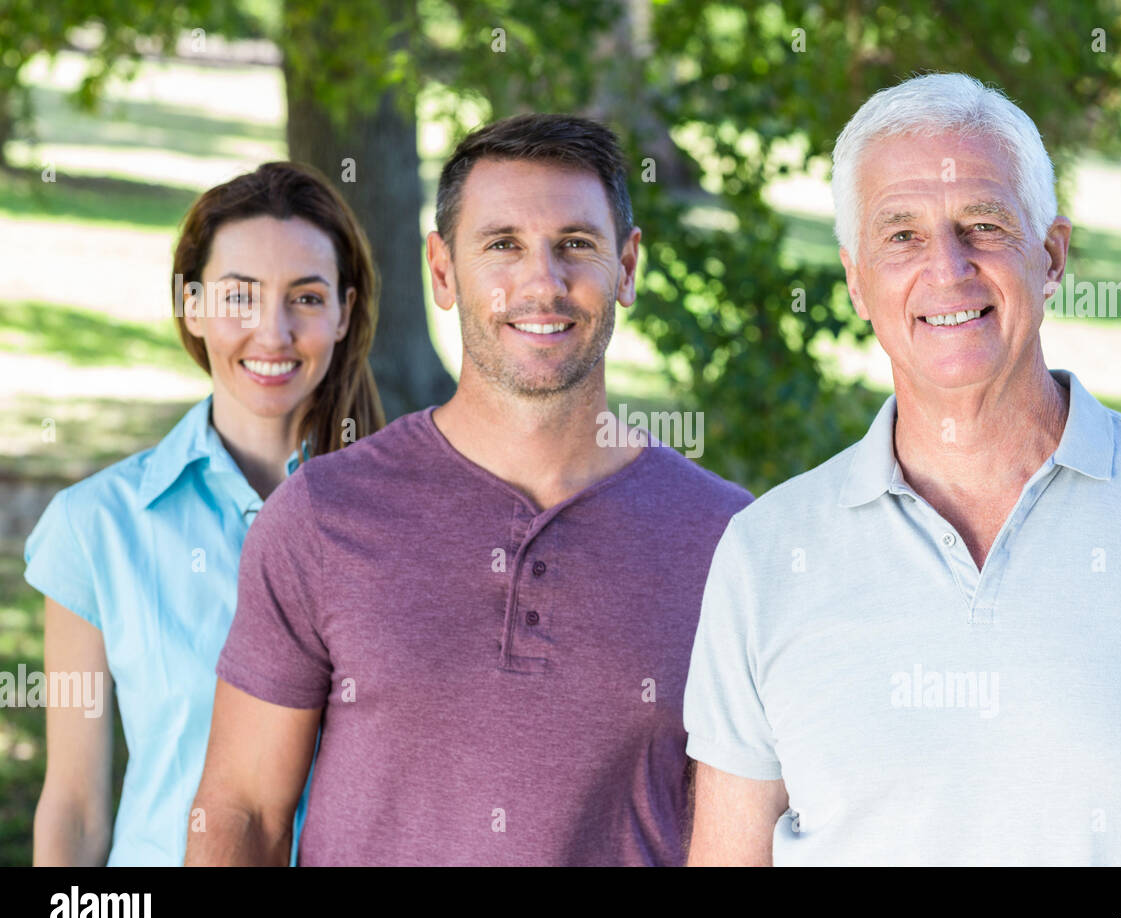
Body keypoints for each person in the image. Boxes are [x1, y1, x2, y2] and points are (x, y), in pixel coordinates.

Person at [683, 73, 1121, 866]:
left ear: (1052, 256)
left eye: (982, 223)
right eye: (900, 234)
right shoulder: (766, 552)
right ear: (855, 281)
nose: (948, 268)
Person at [184, 113, 752, 866]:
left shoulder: (727, 540)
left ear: (628, 267)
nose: (542, 283)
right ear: (443, 271)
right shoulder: (322, 516)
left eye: (576, 245)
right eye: (503, 245)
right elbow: (244, 813)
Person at [25, 161, 385, 865]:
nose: (273, 332)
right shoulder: (94, 529)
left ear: (344, 311)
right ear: (191, 305)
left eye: (305, 298)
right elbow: (75, 809)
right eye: (239, 296)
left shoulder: (406, 519)